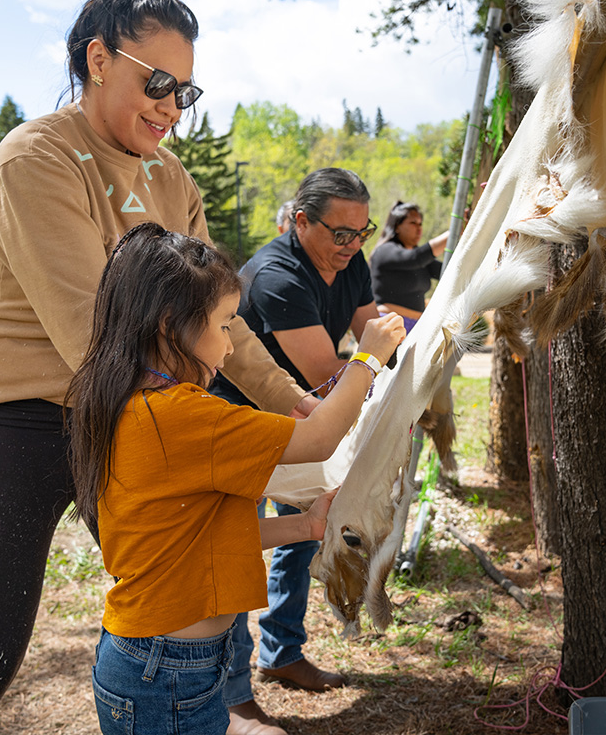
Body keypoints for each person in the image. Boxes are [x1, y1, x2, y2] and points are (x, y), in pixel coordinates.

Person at [0, 0, 315, 735]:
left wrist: (295, 402)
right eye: (157, 82)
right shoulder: (37, 159)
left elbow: (221, 319)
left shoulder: (172, 177)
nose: (170, 108)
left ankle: (221, 709)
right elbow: (91, 334)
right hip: (17, 422)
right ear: (99, 59)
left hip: (127, 410)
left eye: (184, 92)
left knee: (202, 580)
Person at [67, 225, 404, 735]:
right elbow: (317, 439)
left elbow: (196, 539)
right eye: (225, 325)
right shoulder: (181, 416)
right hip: (166, 673)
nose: (229, 348)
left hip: (169, 661)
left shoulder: (138, 406)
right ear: (169, 325)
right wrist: (367, 357)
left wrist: (303, 527)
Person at [209, 167, 379, 735]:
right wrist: (378, 369)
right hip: (240, 425)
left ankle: (280, 652)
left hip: (301, 422)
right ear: (301, 221)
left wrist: (440, 326)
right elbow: (328, 373)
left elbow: (370, 324)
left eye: (362, 233)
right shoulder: (275, 277)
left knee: (304, 534)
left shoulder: (351, 260)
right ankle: (231, 698)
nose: (352, 247)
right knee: (232, 554)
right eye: (340, 234)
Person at [369, 201, 448, 329]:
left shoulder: (424, 262)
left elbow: (450, 271)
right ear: (397, 226)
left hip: (417, 328)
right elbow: (415, 258)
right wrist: (453, 233)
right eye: (413, 223)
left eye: (420, 224)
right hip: (389, 325)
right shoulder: (384, 251)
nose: (419, 228)